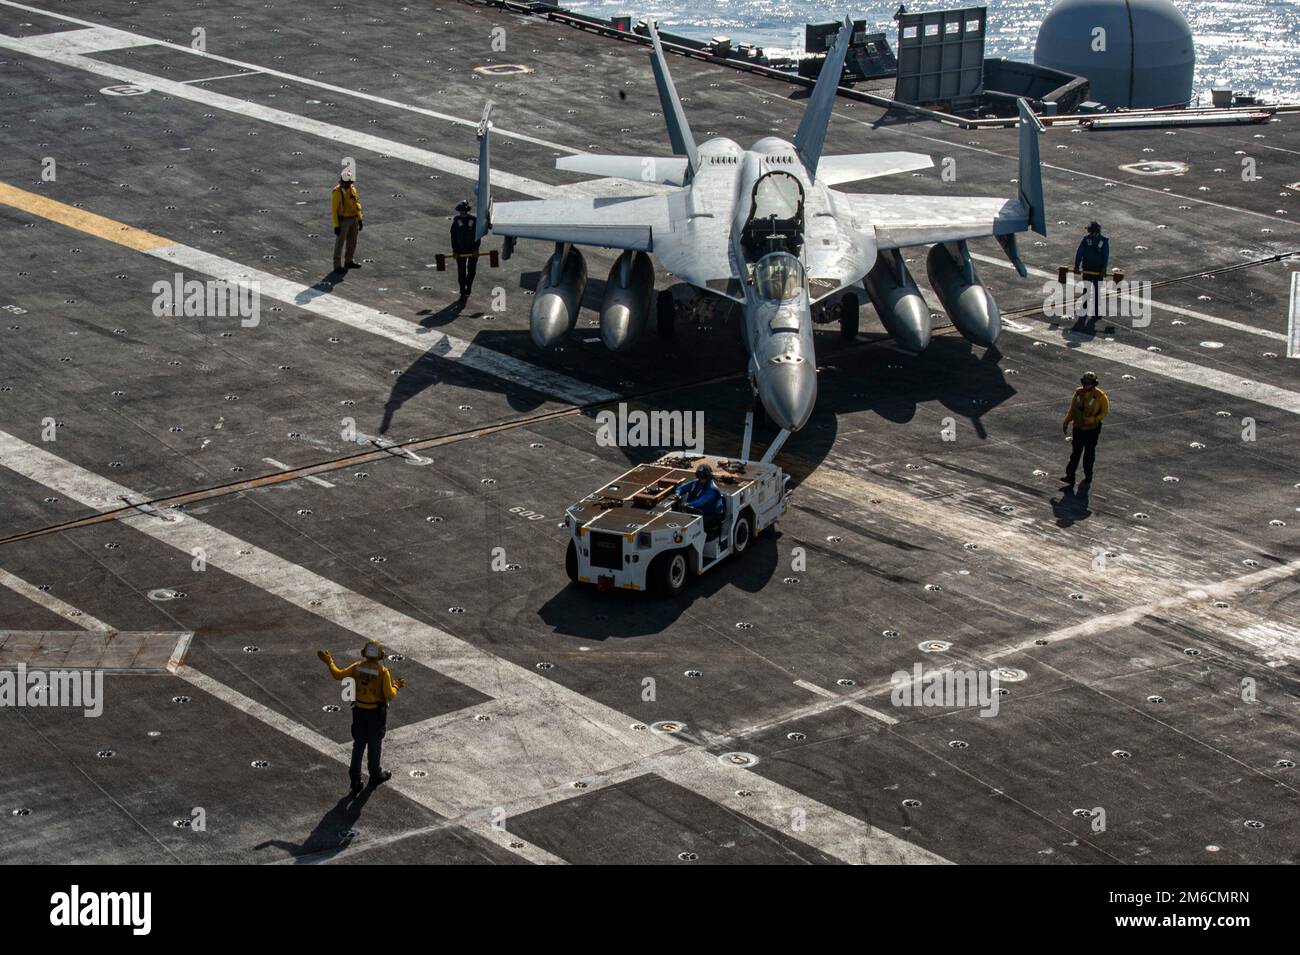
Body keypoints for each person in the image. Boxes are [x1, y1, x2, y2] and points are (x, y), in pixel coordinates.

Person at [318, 641, 405, 792]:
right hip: (375, 715)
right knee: (374, 745)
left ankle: (355, 780)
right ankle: (375, 774)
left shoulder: (357, 666)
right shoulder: (383, 671)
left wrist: (329, 661)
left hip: (359, 712)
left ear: (363, 653)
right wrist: (396, 685)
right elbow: (389, 695)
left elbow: (338, 675)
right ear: (381, 655)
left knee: (358, 745)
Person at [1061, 371, 1109, 486]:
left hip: (1092, 430)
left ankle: (1088, 474)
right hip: (1078, 428)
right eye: (1084, 382)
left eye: (1088, 383)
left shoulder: (1100, 396)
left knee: (1089, 453)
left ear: (1094, 383)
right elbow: (1073, 408)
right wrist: (1067, 420)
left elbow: (1105, 411)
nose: (1086, 385)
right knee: (1075, 453)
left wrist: (1094, 419)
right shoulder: (1078, 393)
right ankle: (1070, 476)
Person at [674, 464, 726, 538]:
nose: (701, 479)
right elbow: (682, 488)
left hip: (711, 515)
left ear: (708, 477)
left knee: (693, 527)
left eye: (703, 477)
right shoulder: (695, 483)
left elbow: (700, 502)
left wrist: (687, 504)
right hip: (697, 511)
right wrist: (677, 493)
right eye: (699, 476)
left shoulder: (712, 490)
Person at [1073, 221, 1109, 320]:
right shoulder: (1103, 241)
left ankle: (1084, 309)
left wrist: (1076, 266)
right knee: (1096, 291)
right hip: (1098, 270)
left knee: (1087, 289)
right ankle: (1096, 312)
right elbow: (1105, 256)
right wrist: (1104, 269)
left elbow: (1079, 254)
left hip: (1088, 269)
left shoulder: (1086, 240)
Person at [331, 169, 364, 272]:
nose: (346, 184)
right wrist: (336, 225)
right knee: (339, 243)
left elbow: (357, 204)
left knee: (352, 242)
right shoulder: (337, 192)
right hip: (343, 220)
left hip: (353, 218)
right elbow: (334, 210)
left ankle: (348, 261)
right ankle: (337, 266)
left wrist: (359, 219)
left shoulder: (352, 189)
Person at [450, 200, 481, 302]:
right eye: (461, 211)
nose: (463, 212)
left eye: (465, 210)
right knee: (461, 272)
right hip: (460, 250)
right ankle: (462, 292)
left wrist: (476, 249)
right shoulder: (456, 222)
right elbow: (453, 237)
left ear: (467, 211)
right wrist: (455, 250)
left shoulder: (474, 221)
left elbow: (478, 236)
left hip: (472, 250)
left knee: (472, 271)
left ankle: (468, 288)